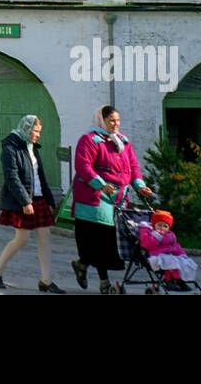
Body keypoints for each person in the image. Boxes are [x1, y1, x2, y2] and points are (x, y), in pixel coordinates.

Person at [70, 104, 153, 294]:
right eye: (111, 121)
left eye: (118, 121)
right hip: (94, 198)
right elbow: (83, 166)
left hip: (116, 198)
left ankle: (81, 265)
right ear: (102, 121)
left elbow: (133, 167)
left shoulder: (123, 141)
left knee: (107, 241)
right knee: (97, 240)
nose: (116, 124)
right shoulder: (90, 140)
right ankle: (104, 281)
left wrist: (140, 186)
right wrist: (100, 184)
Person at [0, 114, 63, 293]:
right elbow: (11, 177)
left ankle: (46, 280)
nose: (38, 135)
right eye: (35, 131)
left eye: (39, 132)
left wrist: (50, 200)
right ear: (26, 129)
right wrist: (25, 201)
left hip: (39, 199)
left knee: (45, 237)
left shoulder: (33, 147)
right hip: (22, 200)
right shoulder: (10, 147)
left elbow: (40, 176)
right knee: (22, 239)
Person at [138, 209, 198, 290]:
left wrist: (182, 254)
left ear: (169, 228)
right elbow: (148, 245)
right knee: (170, 261)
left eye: (165, 226)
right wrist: (157, 236)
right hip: (156, 255)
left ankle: (179, 280)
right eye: (159, 225)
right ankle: (168, 280)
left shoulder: (170, 235)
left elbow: (176, 247)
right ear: (154, 225)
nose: (162, 228)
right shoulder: (151, 234)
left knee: (182, 261)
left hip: (168, 255)